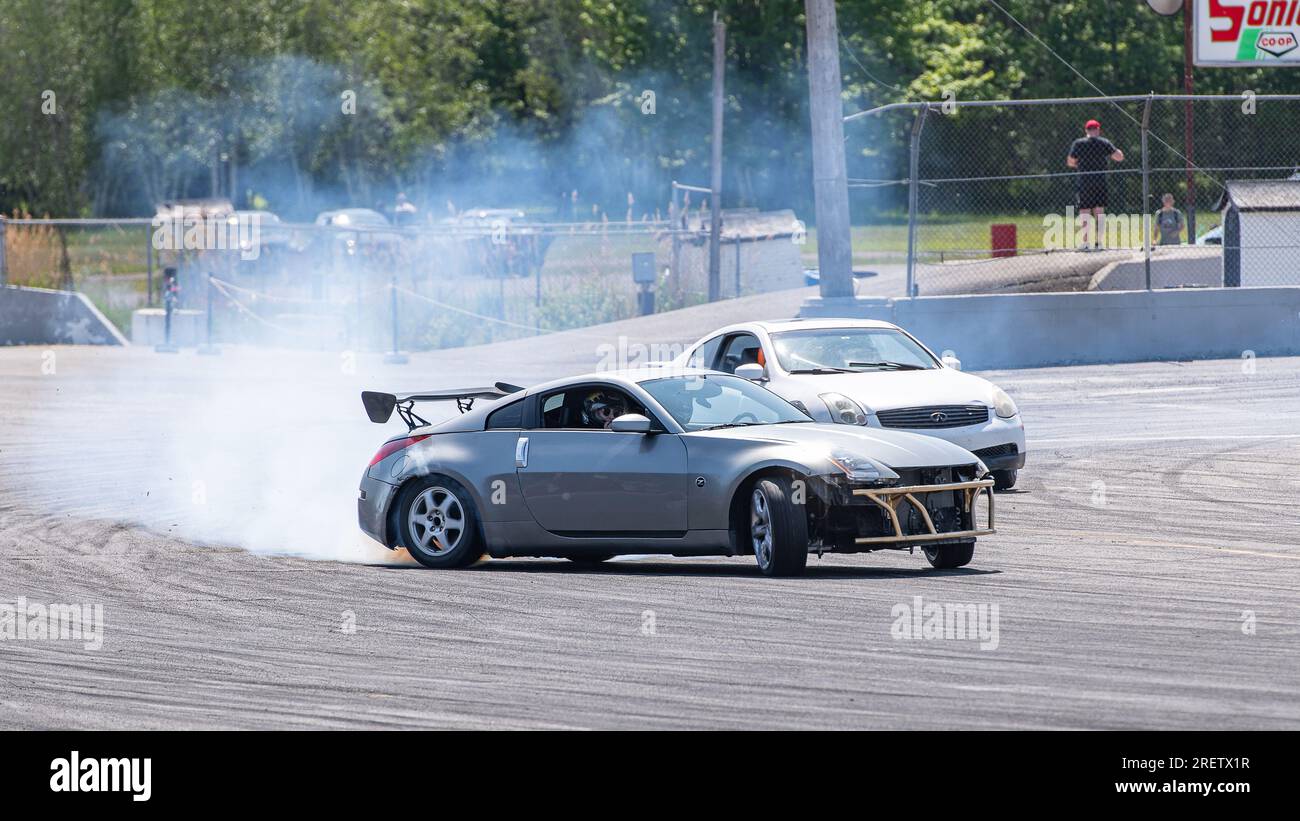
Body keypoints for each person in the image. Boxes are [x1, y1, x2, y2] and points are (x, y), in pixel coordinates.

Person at [1067, 119, 1124, 249]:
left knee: (1085, 211)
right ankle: (1099, 243)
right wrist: (1114, 150)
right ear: (1098, 130)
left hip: (1085, 181)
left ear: (1086, 130)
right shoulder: (1104, 143)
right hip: (1100, 181)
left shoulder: (1079, 143)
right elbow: (1119, 157)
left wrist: (1080, 165)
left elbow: (1070, 161)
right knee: (1099, 211)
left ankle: (1086, 243)